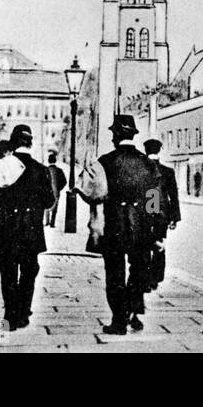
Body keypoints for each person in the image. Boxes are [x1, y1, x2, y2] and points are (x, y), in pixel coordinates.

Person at [77, 115, 155, 335]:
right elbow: (154, 203)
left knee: (115, 275)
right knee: (138, 271)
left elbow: (91, 193)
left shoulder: (104, 161)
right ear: (133, 135)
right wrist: (155, 231)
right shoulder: (148, 164)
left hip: (113, 226)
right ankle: (132, 307)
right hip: (141, 227)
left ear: (115, 136)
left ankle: (118, 321)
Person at [0, 125, 54, 331]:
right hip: (30, 230)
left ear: (13, 143)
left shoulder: (0, 166)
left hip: (5, 230)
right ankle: (23, 313)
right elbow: (49, 201)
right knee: (29, 271)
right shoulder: (41, 170)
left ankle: (10, 316)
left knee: (8, 272)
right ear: (30, 143)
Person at [142, 138, 181, 292]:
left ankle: (144, 277)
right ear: (159, 151)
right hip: (161, 215)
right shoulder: (167, 171)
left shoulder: (140, 169)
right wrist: (174, 218)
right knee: (159, 244)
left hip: (144, 213)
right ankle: (155, 278)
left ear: (146, 151)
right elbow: (174, 196)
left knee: (144, 245)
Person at [45, 151, 67, 228]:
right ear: (55, 161)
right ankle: (52, 223)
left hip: (47, 191)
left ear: (48, 160)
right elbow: (64, 181)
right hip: (56, 192)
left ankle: (46, 221)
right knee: (55, 207)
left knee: (46, 205)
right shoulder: (59, 170)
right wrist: (59, 188)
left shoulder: (45, 170)